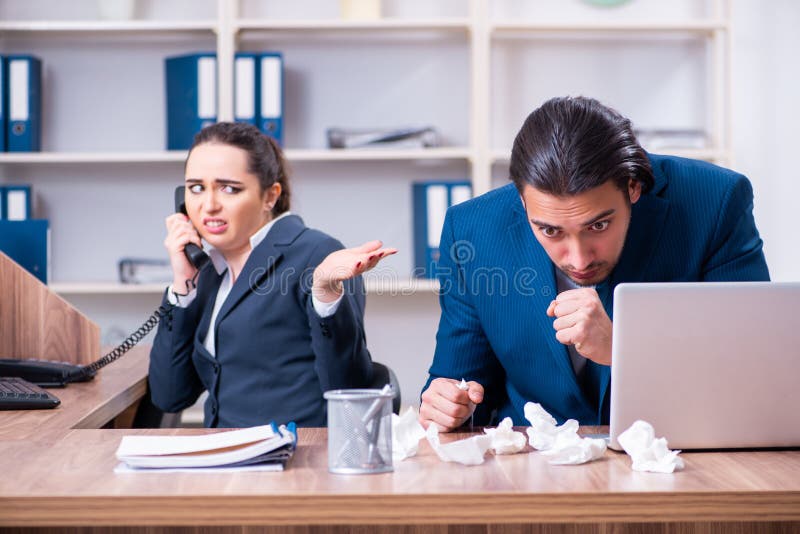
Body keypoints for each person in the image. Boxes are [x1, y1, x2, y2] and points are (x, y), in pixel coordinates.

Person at [419, 96, 769, 431]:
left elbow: (756, 373)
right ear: (522, 202)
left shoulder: (715, 202)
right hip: (533, 469)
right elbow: (460, 380)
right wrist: (448, 405)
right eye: (550, 230)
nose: (579, 259)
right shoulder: (472, 231)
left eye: (598, 226)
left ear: (633, 188)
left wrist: (625, 350)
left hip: (681, 455)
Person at [149, 122, 396, 427]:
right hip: (225, 462)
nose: (209, 205)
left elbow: (348, 389)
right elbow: (169, 396)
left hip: (296, 460)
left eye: (229, 188)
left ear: (270, 196)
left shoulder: (316, 254)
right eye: (196, 188)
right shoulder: (209, 270)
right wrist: (182, 287)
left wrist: (326, 295)